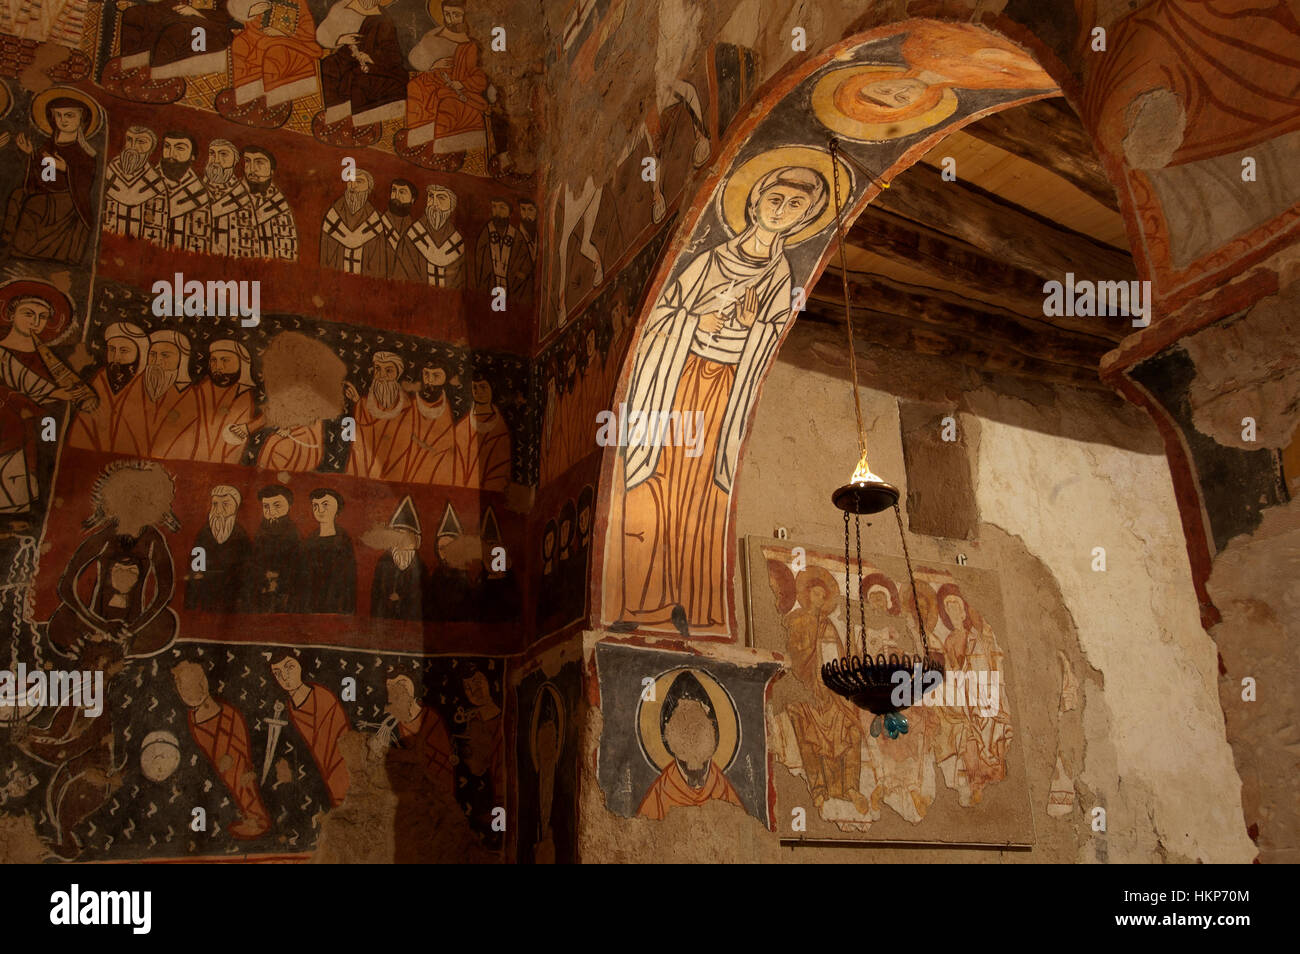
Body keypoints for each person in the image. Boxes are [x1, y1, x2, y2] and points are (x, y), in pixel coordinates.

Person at [619, 163, 827, 630]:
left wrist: (753, 328)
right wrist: (697, 323)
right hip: (683, 381)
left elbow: (770, 335)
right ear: (754, 202)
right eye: (775, 200)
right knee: (664, 484)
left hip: (727, 397)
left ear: (802, 218)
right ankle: (648, 600)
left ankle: (695, 606)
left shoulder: (781, 274)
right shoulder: (709, 260)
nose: (782, 211)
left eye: (795, 206)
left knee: (708, 491)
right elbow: (657, 320)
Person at [0, 285, 89, 513]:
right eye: (28, 314)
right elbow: (23, 382)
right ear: (11, 314)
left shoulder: (48, 361)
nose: (35, 322)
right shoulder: (2, 354)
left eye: (42, 317)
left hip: (32, 433)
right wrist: (53, 393)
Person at [173, 661, 270, 839]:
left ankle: (256, 818)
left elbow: (243, 745)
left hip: (237, 769)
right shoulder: (190, 721)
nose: (194, 691)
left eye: (197, 684)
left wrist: (244, 765)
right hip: (215, 779)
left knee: (243, 785)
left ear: (204, 682)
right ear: (180, 691)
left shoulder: (229, 713)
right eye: (186, 688)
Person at [0, 90, 99, 264]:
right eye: (58, 115)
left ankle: (23, 249)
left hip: (68, 200)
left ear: (81, 120)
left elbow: (84, 183)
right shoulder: (50, 145)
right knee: (17, 195)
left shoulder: (85, 153)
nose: (63, 120)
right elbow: (47, 178)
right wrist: (32, 155)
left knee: (33, 205)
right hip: (48, 193)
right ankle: (5, 244)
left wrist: (66, 169)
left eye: (69, 115)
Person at [637, 671, 743, 819]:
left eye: (699, 724)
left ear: (712, 729)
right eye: (682, 723)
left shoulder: (721, 787)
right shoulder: (660, 792)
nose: (691, 732)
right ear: (669, 732)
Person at [400, 0, 490, 171]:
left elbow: (479, 72)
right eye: (447, 14)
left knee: (444, 100)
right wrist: (434, 65)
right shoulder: (435, 34)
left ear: (466, 15)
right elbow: (417, 58)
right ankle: (419, 138)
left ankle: (441, 147)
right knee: (414, 87)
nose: (450, 19)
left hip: (458, 83)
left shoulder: (474, 40)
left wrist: (461, 83)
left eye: (456, 15)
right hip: (437, 76)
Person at [313, 0, 408, 147]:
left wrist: (372, 57)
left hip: (376, 67)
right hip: (348, 54)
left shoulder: (383, 19)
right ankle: (332, 115)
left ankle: (354, 127)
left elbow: (393, 55)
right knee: (328, 66)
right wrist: (340, 39)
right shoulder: (342, 7)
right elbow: (323, 34)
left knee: (358, 80)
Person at [218, 0, 323, 127]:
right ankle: (244, 97)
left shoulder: (299, 3)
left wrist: (283, 34)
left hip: (292, 44)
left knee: (274, 53)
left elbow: (308, 32)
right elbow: (251, 25)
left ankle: (273, 104)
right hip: (260, 38)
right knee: (240, 43)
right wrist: (251, 12)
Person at [271, 655, 351, 806]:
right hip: (310, 787)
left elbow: (339, 743)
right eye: (277, 672)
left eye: (289, 667)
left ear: (301, 666)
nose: (284, 676)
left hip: (337, 775)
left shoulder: (323, 698)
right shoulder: (284, 711)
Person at [67, 322, 150, 454]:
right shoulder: (98, 382)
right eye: (112, 350)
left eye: (124, 351)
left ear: (140, 354)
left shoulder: (147, 387)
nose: (116, 357)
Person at [344, 351, 411, 480]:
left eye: (389, 371)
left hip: (394, 466)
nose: (381, 376)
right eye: (377, 369)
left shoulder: (406, 407)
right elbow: (364, 428)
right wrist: (358, 402)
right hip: (368, 464)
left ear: (398, 374)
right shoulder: (368, 402)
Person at [184, 485, 250, 614]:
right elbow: (196, 566)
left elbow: (246, 570)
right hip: (206, 594)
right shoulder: (204, 534)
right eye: (215, 504)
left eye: (225, 504)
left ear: (236, 507)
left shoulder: (241, 536)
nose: (219, 510)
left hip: (232, 597)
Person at [192, 339, 256, 464]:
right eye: (214, 360)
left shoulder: (247, 392)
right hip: (200, 455)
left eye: (225, 360)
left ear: (241, 363)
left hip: (231, 453)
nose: (218, 367)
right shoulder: (202, 389)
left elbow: (271, 417)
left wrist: (248, 428)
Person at [403, 360, 467, 484]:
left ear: (445, 379)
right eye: (426, 375)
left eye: (436, 376)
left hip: (441, 469)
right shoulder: (410, 404)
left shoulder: (453, 406)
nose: (430, 380)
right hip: (411, 468)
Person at [245, 484, 301, 613]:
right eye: (266, 506)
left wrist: (277, 577)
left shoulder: (292, 533)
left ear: (289, 505)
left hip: (284, 590)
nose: (270, 511)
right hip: (261, 587)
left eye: (277, 505)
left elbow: (295, 564)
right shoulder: (261, 530)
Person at [369, 496, 426, 620]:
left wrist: (401, 598)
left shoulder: (421, 566)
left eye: (407, 536)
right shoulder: (384, 562)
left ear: (416, 540)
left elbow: (423, 598)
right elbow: (376, 594)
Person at [300, 488, 356, 613]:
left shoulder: (343, 539)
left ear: (337, 509)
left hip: (336, 602)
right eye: (315, 505)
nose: (320, 510)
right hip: (311, 603)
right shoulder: (310, 540)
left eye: (325, 505)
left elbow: (348, 578)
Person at [102, 126, 163, 238]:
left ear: (151, 148)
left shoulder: (154, 182)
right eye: (130, 140)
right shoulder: (108, 172)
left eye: (141, 142)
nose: (133, 146)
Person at [320, 170, 384, 274]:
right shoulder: (333, 216)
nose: (353, 186)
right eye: (350, 181)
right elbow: (325, 258)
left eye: (359, 181)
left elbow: (379, 265)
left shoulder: (375, 220)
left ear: (369, 188)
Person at [405, 184, 464, 287]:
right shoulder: (413, 233)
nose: (434, 204)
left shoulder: (456, 241)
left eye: (441, 198)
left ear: (452, 205)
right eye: (431, 196)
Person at [460, 372, 510, 490]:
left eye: (483, 387)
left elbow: (503, 468)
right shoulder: (461, 427)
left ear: (492, 389)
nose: (478, 392)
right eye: (474, 388)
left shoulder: (501, 429)